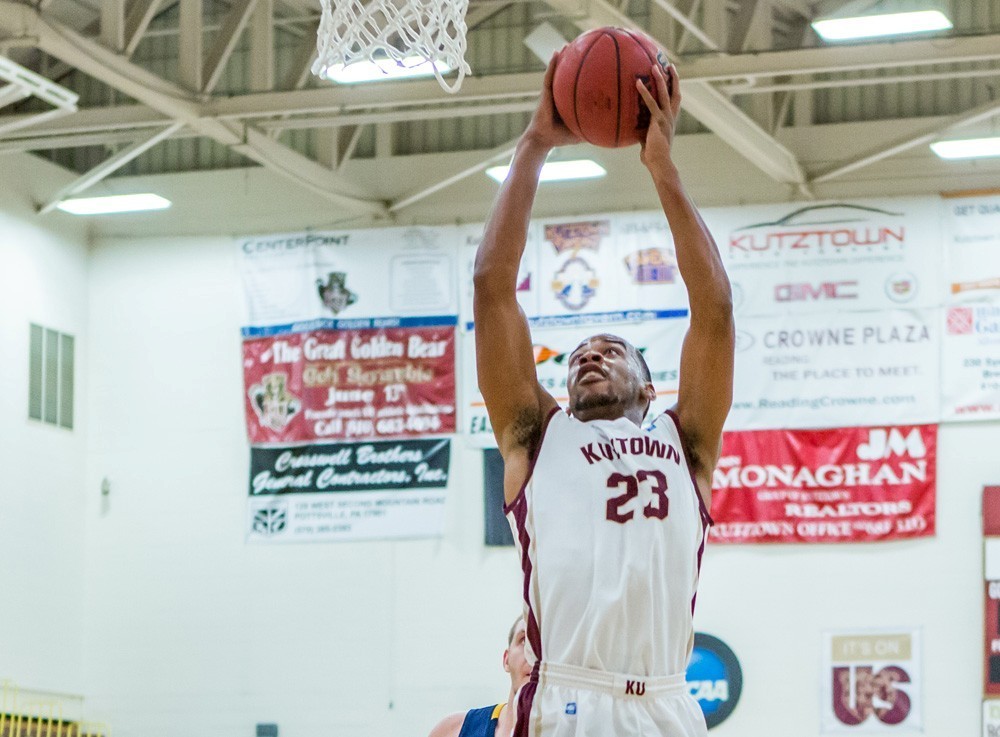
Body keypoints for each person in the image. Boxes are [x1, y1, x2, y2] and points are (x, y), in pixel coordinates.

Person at [472, 52, 734, 737]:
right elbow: (491, 287)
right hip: (568, 701)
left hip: (672, 703)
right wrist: (533, 144)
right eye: (578, 354)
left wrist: (664, 169)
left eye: (610, 350)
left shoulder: (687, 442)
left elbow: (715, 310)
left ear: (650, 385)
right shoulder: (537, 435)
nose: (589, 354)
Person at [428, 617, 533, 737]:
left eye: (546, 646)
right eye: (524, 640)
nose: (534, 655)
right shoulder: (453, 730)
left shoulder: (558, 729)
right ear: (506, 660)